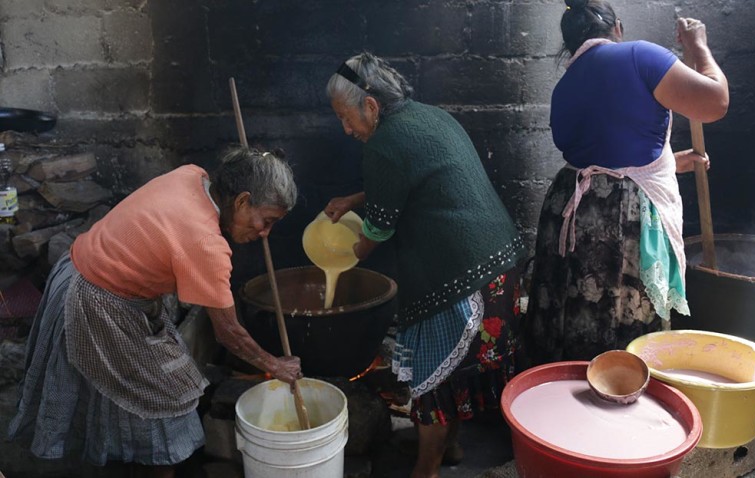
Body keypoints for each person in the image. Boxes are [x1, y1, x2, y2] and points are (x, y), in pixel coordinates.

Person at [8, 147, 303, 478]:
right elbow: (228, 332)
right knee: (167, 400)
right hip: (96, 299)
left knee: (138, 387)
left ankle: (129, 459)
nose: (265, 233)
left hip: (80, 273)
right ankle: (152, 466)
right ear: (242, 200)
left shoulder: (192, 174)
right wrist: (275, 365)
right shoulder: (205, 243)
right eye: (267, 221)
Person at [324, 52, 526, 478]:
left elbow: (378, 229)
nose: (345, 129)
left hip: (460, 276)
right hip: (499, 265)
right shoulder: (428, 117)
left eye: (346, 117)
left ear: (371, 106)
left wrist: (347, 256)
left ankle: (425, 469)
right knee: (456, 374)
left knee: (433, 380)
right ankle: (450, 448)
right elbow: (419, 178)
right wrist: (353, 199)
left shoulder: (383, 143)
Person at [519, 0, 729, 367]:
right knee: (622, 319)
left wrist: (671, 162)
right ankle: (620, 395)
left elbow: (602, 156)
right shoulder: (641, 56)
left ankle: (565, 397)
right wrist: (698, 46)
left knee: (573, 313)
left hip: (569, 208)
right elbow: (715, 102)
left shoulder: (565, 85)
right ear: (617, 27)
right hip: (621, 217)